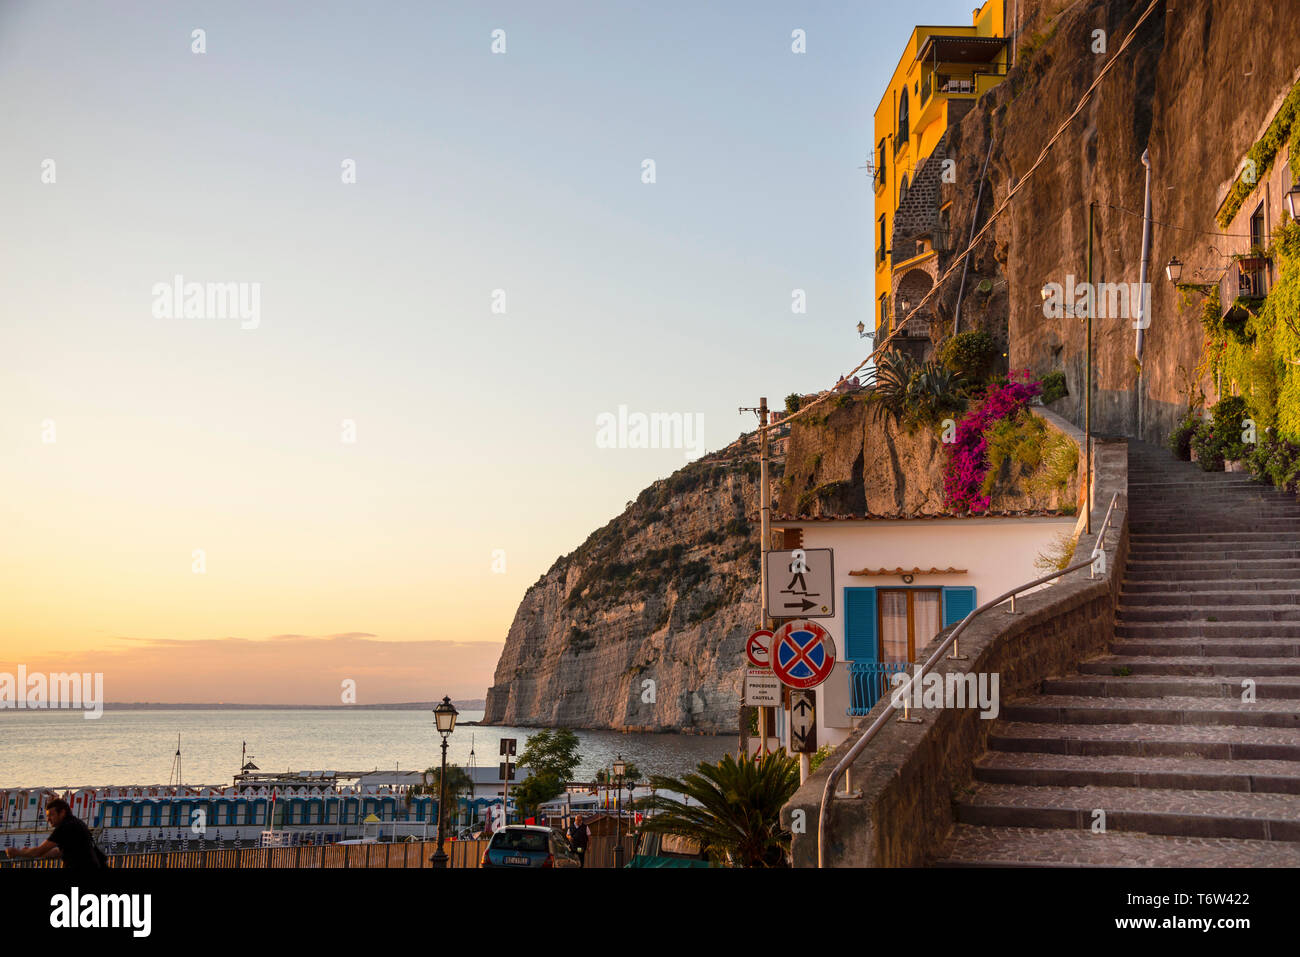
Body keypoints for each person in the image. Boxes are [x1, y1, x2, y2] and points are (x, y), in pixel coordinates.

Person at [4, 798, 107, 869]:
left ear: (62, 812)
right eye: (47, 816)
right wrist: (29, 852)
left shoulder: (65, 827)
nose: (48, 819)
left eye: (51, 815)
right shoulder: (78, 823)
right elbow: (58, 852)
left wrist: (17, 852)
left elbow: (38, 851)